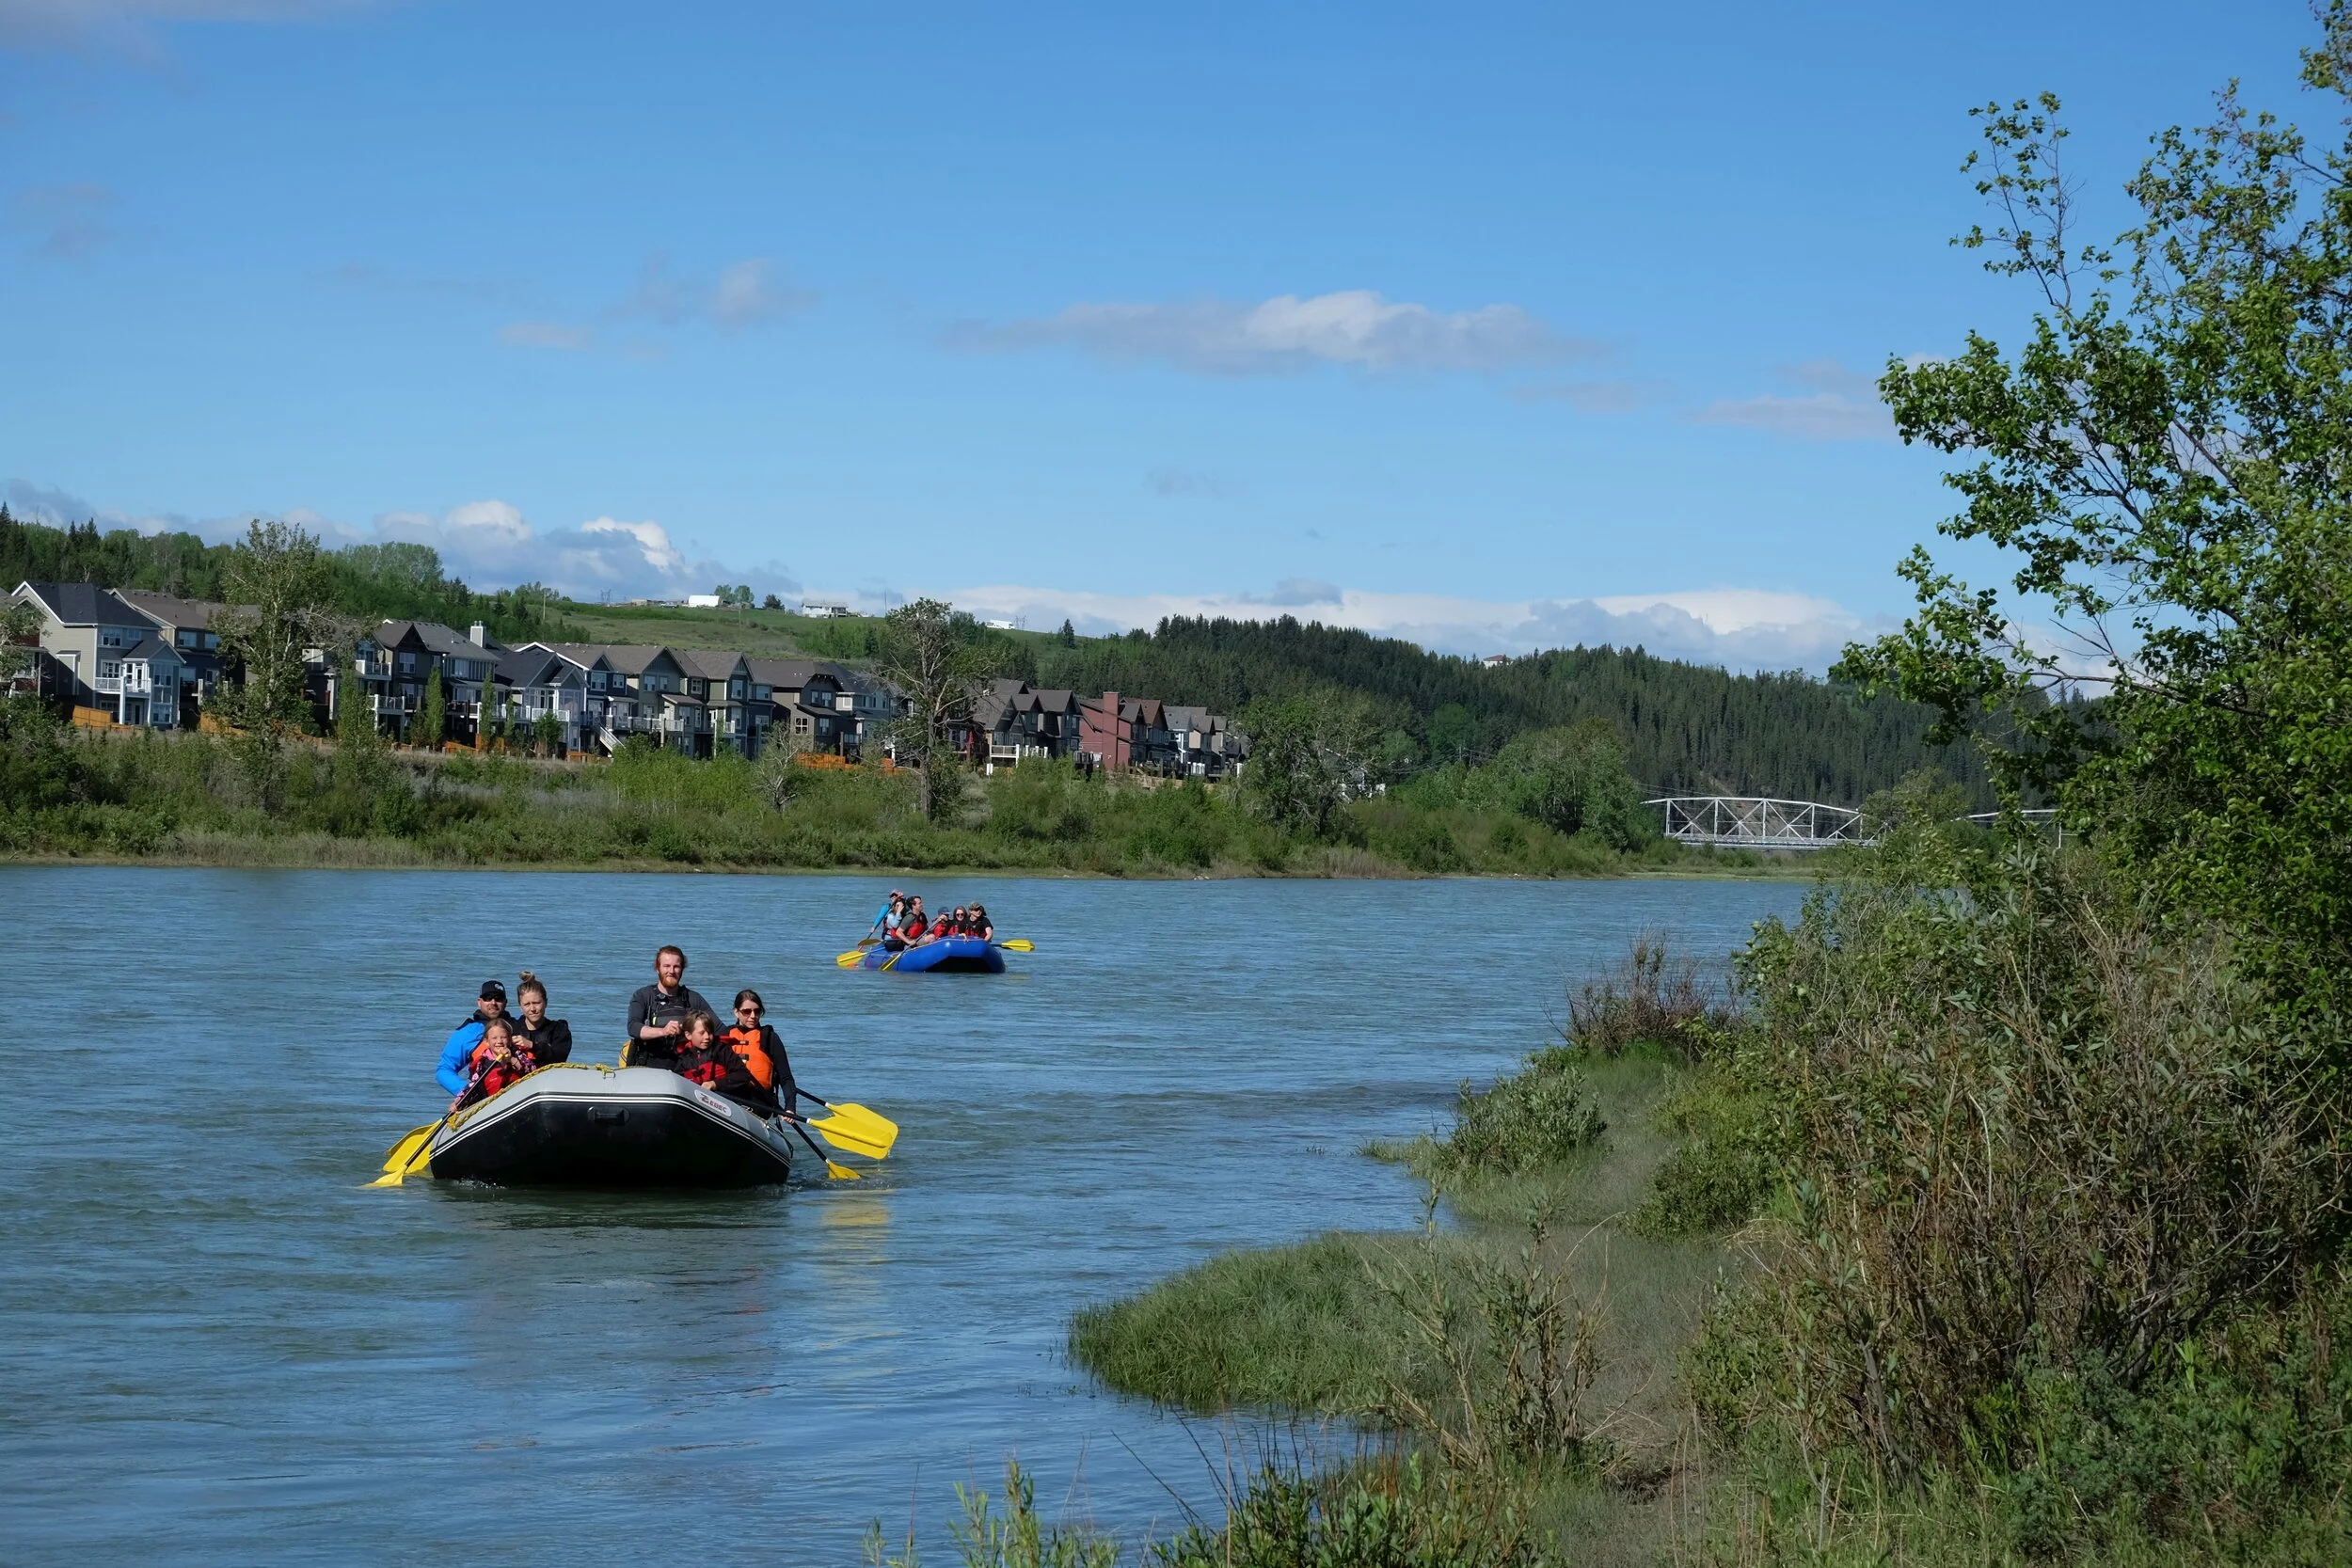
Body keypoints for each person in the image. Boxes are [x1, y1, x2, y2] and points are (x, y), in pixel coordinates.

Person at [693, 990, 796, 1116]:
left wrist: (790, 1107)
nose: (753, 1016)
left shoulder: (769, 1038)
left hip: (758, 1100)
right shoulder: (724, 1035)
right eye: (747, 1012)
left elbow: (785, 1078)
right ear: (736, 1012)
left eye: (757, 1011)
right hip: (727, 1095)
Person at [626, 945, 712, 1069]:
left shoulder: (694, 999)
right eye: (666, 966)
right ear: (657, 968)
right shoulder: (643, 996)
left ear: (682, 969)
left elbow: (717, 1028)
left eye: (676, 967)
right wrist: (663, 1031)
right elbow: (633, 1027)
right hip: (649, 1065)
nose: (671, 971)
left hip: (685, 1067)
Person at [435, 979, 510, 1095]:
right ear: (479, 1002)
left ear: (505, 1002)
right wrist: (467, 1091)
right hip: (484, 1097)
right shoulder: (467, 1033)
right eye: (488, 998)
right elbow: (444, 1070)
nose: (493, 1002)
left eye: (498, 999)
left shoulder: (517, 1026)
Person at [452, 1017, 532, 1112]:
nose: (499, 1042)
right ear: (486, 1042)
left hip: (517, 1102)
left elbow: (531, 1071)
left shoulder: (517, 1054)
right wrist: (459, 1100)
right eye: (494, 1038)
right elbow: (473, 1084)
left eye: (503, 1037)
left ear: (509, 1040)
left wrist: (511, 1060)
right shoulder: (482, 1063)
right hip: (492, 1107)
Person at [512, 971, 572, 1065]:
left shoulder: (559, 1030)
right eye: (527, 1004)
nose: (532, 1009)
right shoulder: (511, 1029)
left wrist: (531, 1046)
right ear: (520, 1007)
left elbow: (559, 1058)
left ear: (545, 1003)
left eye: (536, 1003)